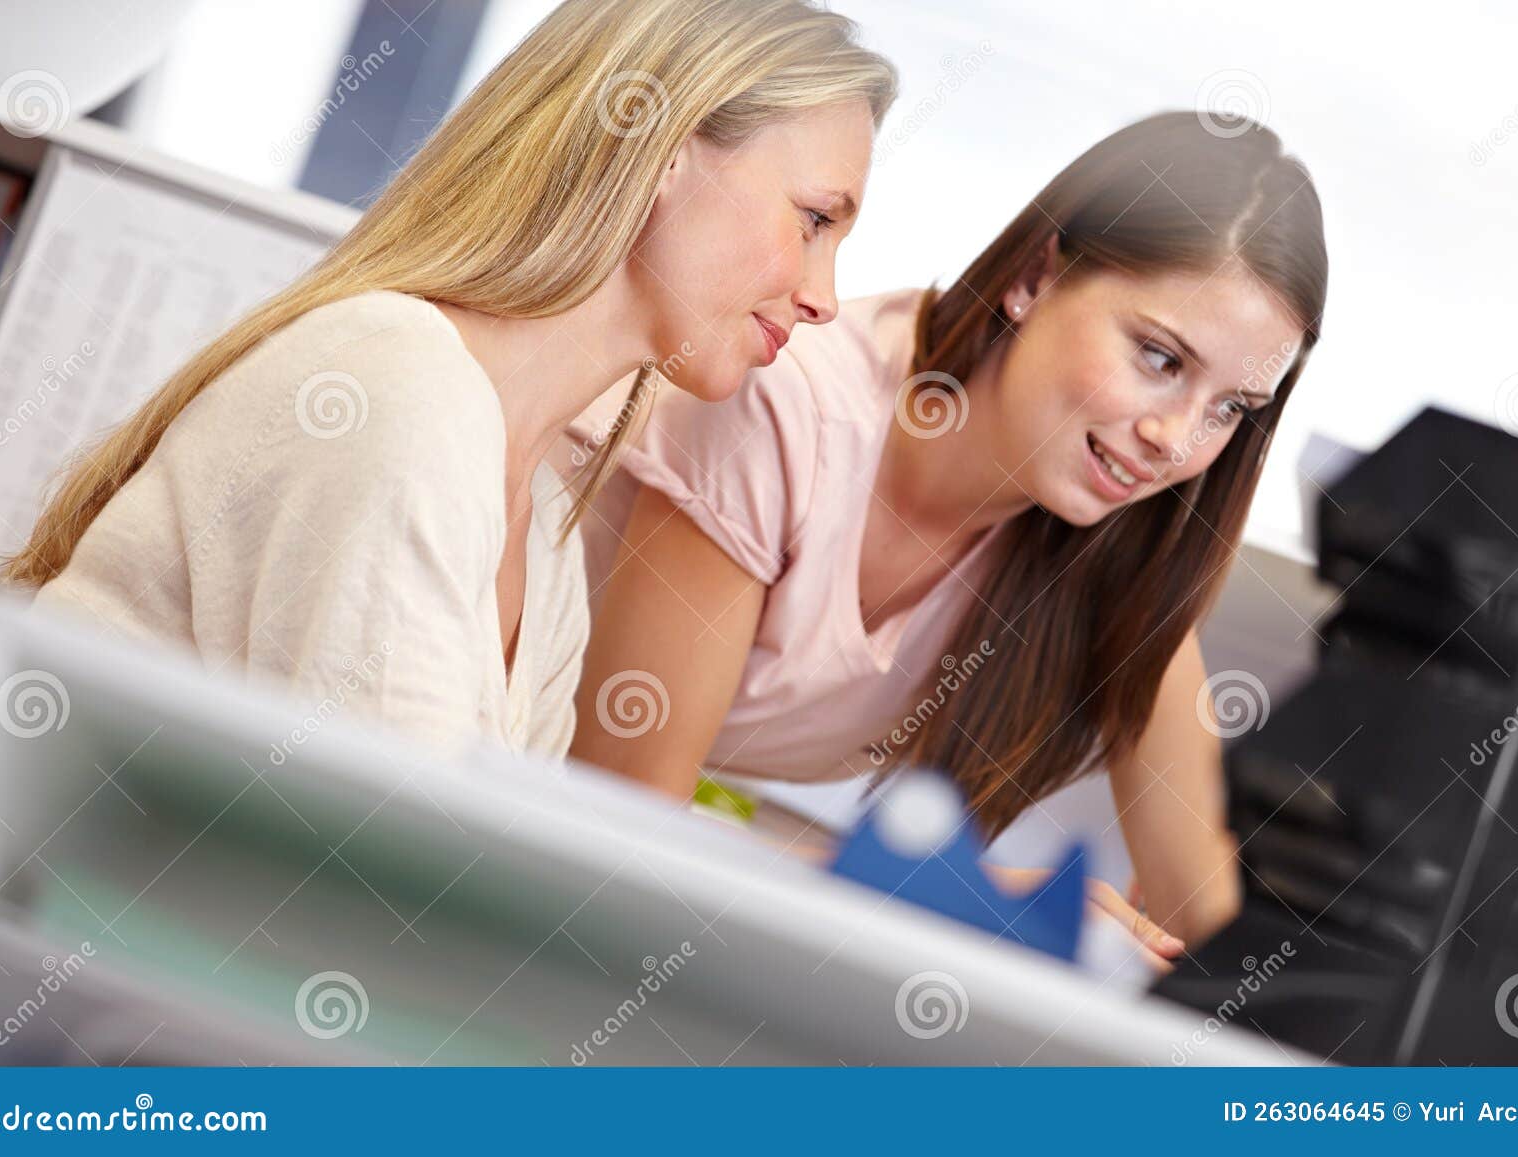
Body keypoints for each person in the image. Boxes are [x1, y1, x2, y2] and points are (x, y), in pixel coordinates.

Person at [0, 0, 896, 760]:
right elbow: (385, 883)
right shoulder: (400, 386)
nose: (825, 298)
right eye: (815, 219)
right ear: (661, 146)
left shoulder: (542, 531)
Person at [568, 110, 1328, 950]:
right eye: (1159, 358)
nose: (1178, 439)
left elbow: (1214, 931)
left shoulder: (1106, 556)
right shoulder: (787, 409)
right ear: (1037, 276)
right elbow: (617, 821)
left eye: (1230, 408)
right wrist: (976, 899)